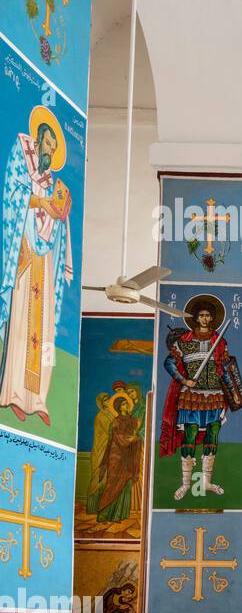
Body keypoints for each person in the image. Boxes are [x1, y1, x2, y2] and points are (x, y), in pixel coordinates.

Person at [0, 106, 75, 424]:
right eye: (48, 144)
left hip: (44, 263)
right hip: (25, 253)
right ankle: (15, 392)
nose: (50, 152)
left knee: (43, 331)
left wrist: (61, 212)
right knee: (20, 324)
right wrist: (38, 201)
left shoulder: (50, 180)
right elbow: (12, 194)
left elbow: (55, 218)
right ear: (39, 140)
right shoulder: (21, 158)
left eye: (54, 149)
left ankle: (39, 398)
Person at [160, 297, 242, 500]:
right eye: (201, 315)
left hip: (215, 396)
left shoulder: (219, 342)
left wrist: (232, 390)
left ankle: (207, 481)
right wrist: (184, 380)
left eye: (208, 315)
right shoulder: (185, 342)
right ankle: (185, 484)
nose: (205, 319)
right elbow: (169, 363)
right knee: (189, 435)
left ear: (212, 318)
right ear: (196, 318)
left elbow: (224, 370)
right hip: (192, 397)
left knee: (212, 436)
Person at [88, 388, 143, 525]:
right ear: (118, 407)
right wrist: (129, 440)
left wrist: (135, 439)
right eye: (123, 404)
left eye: (126, 403)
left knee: (125, 483)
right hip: (116, 455)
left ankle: (119, 515)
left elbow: (136, 435)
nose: (126, 406)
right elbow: (117, 438)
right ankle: (104, 514)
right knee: (112, 484)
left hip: (128, 455)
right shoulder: (116, 421)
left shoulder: (133, 420)